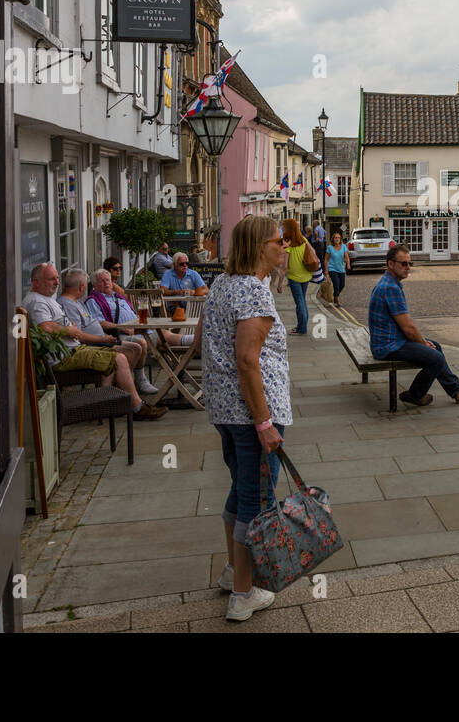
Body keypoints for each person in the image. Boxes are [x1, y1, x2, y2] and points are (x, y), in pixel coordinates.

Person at [200, 215, 292, 621]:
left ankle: (232, 572)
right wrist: (264, 423)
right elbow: (246, 359)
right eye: (279, 241)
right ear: (259, 248)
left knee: (241, 491)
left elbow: (209, 337)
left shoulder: (222, 285)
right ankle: (244, 593)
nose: (285, 247)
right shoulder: (254, 292)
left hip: (225, 409)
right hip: (251, 412)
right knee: (256, 500)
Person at [23, 264, 163, 420]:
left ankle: (113, 403)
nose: (57, 282)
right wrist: (70, 330)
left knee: (117, 356)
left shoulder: (46, 299)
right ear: (36, 283)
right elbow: (45, 327)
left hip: (73, 349)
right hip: (65, 356)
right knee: (119, 358)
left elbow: (56, 324)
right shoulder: (37, 302)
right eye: (51, 279)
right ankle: (136, 407)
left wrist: (70, 327)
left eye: (57, 278)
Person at [367, 245, 459, 406]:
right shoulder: (390, 288)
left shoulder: (388, 282)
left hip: (389, 341)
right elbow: (408, 329)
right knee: (435, 357)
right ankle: (416, 394)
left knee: (435, 347)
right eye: (403, 264)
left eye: (410, 264)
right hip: (388, 346)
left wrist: (423, 341)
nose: (408, 267)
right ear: (390, 264)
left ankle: (456, 390)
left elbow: (406, 327)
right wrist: (423, 343)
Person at [85, 268, 158, 393]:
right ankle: (140, 380)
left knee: (165, 335)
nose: (106, 283)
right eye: (102, 281)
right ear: (95, 285)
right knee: (143, 343)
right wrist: (121, 328)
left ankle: (190, 343)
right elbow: (99, 323)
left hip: (138, 328)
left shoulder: (118, 297)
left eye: (108, 280)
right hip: (119, 334)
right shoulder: (93, 300)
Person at [283, 218, 318, 335]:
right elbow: (313, 251)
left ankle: (302, 329)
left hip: (294, 277)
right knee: (302, 301)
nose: (283, 228)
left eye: (284, 227)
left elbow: (284, 266)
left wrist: (279, 284)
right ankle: (300, 326)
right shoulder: (303, 239)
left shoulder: (288, 243)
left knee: (300, 302)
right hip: (306, 275)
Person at [326, 230, 349, 307]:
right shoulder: (329, 248)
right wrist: (326, 270)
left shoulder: (343, 247)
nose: (337, 239)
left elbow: (346, 257)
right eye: (335, 238)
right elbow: (325, 259)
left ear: (340, 239)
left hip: (341, 269)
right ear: (333, 239)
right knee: (336, 284)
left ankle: (334, 295)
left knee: (342, 285)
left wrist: (348, 264)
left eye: (338, 238)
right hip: (332, 269)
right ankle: (337, 301)